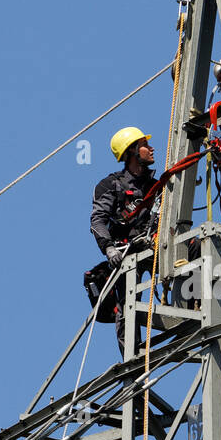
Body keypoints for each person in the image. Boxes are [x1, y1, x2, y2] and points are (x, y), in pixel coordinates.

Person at [90, 127, 162, 353]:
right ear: (132, 151)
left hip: (156, 246)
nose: (151, 148)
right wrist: (109, 249)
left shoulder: (157, 185)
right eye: (145, 145)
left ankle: (197, 306)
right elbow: (97, 220)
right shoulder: (113, 185)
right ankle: (133, 361)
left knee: (195, 250)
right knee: (127, 306)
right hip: (127, 253)